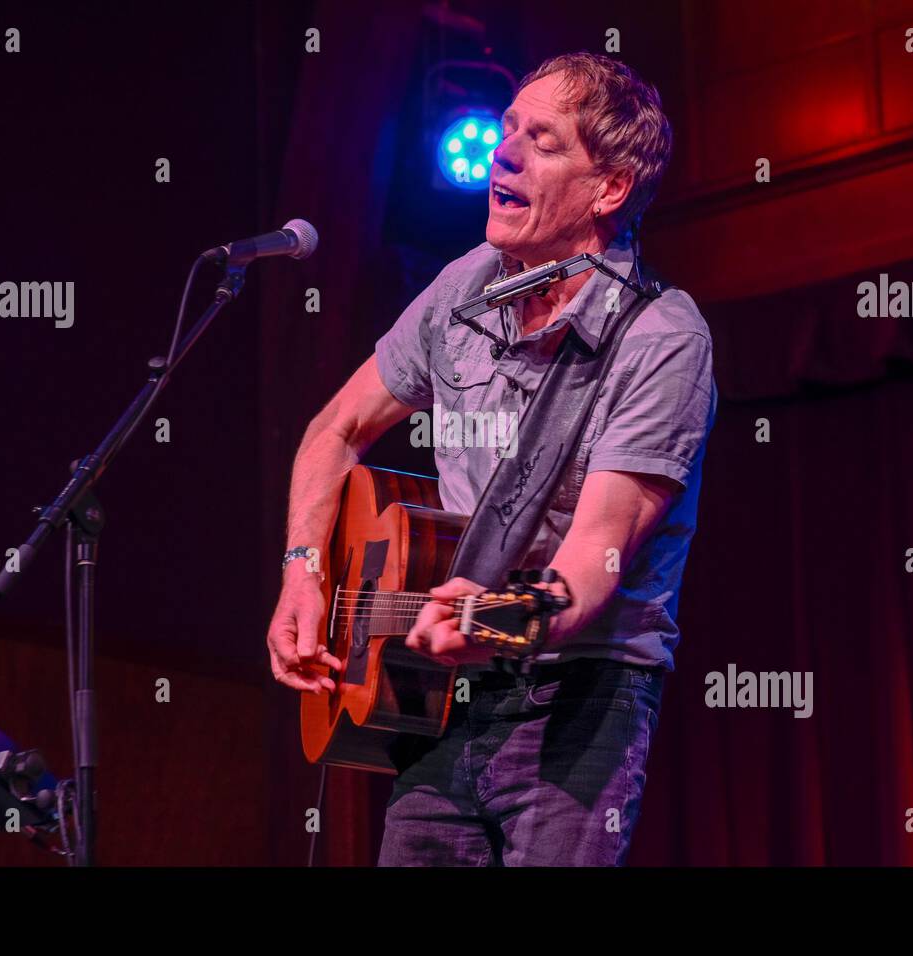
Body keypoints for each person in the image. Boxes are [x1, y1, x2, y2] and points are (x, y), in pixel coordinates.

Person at [266, 51, 717, 866]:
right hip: (441, 702)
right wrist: (303, 570)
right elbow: (332, 430)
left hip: (578, 702)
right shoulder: (464, 287)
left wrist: (496, 621)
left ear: (609, 188)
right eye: (508, 129)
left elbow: (594, 558)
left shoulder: (660, 339)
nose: (503, 153)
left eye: (542, 142)